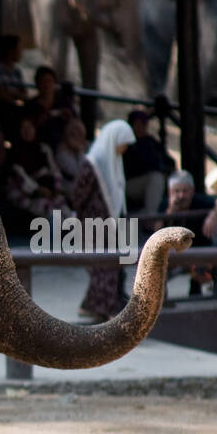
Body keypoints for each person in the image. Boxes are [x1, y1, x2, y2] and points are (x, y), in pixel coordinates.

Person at [70, 118, 135, 321]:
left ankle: (94, 305)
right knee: (105, 265)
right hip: (94, 223)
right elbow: (78, 194)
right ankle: (105, 308)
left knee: (112, 264)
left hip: (111, 223)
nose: (124, 149)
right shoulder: (92, 164)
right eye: (123, 143)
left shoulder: (114, 161)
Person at [159, 170, 217, 295]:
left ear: (192, 191)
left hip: (200, 252)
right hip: (173, 253)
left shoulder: (200, 201)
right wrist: (170, 212)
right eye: (177, 191)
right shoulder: (165, 204)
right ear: (170, 192)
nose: (181, 196)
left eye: (185, 191)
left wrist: (214, 214)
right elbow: (155, 231)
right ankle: (162, 299)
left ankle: (200, 292)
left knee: (204, 263)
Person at [4, 114, 69, 222]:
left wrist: (56, 188)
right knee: (49, 209)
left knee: (62, 205)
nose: (27, 131)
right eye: (23, 128)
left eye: (30, 127)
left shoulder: (43, 149)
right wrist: (39, 189)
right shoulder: (14, 155)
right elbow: (22, 179)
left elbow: (55, 170)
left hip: (49, 190)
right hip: (26, 195)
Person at [123, 109, 173, 216]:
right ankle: (151, 216)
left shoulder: (150, 142)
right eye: (137, 124)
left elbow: (169, 161)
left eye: (143, 124)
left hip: (154, 181)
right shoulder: (126, 144)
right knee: (156, 177)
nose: (140, 128)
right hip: (129, 184)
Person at [55, 117, 89, 184]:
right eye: (72, 134)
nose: (76, 135)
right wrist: (80, 152)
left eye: (79, 133)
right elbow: (78, 172)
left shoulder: (87, 147)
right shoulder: (61, 150)